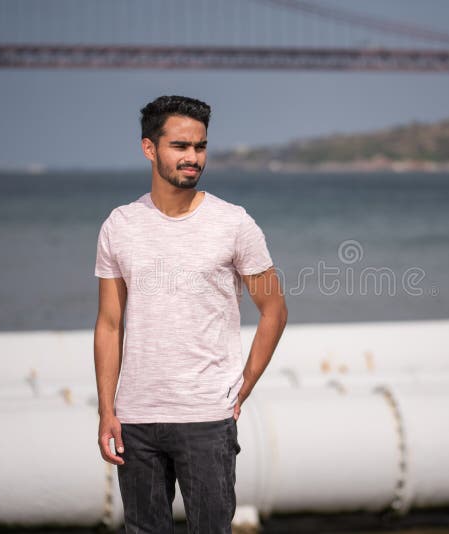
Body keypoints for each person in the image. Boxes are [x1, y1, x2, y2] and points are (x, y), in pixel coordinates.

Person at [93, 95, 288, 533]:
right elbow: (109, 323)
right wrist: (107, 409)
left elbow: (274, 309)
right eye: (180, 146)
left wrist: (246, 384)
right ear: (149, 148)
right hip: (136, 420)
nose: (193, 158)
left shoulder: (233, 223)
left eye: (199, 147)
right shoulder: (119, 225)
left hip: (206, 418)